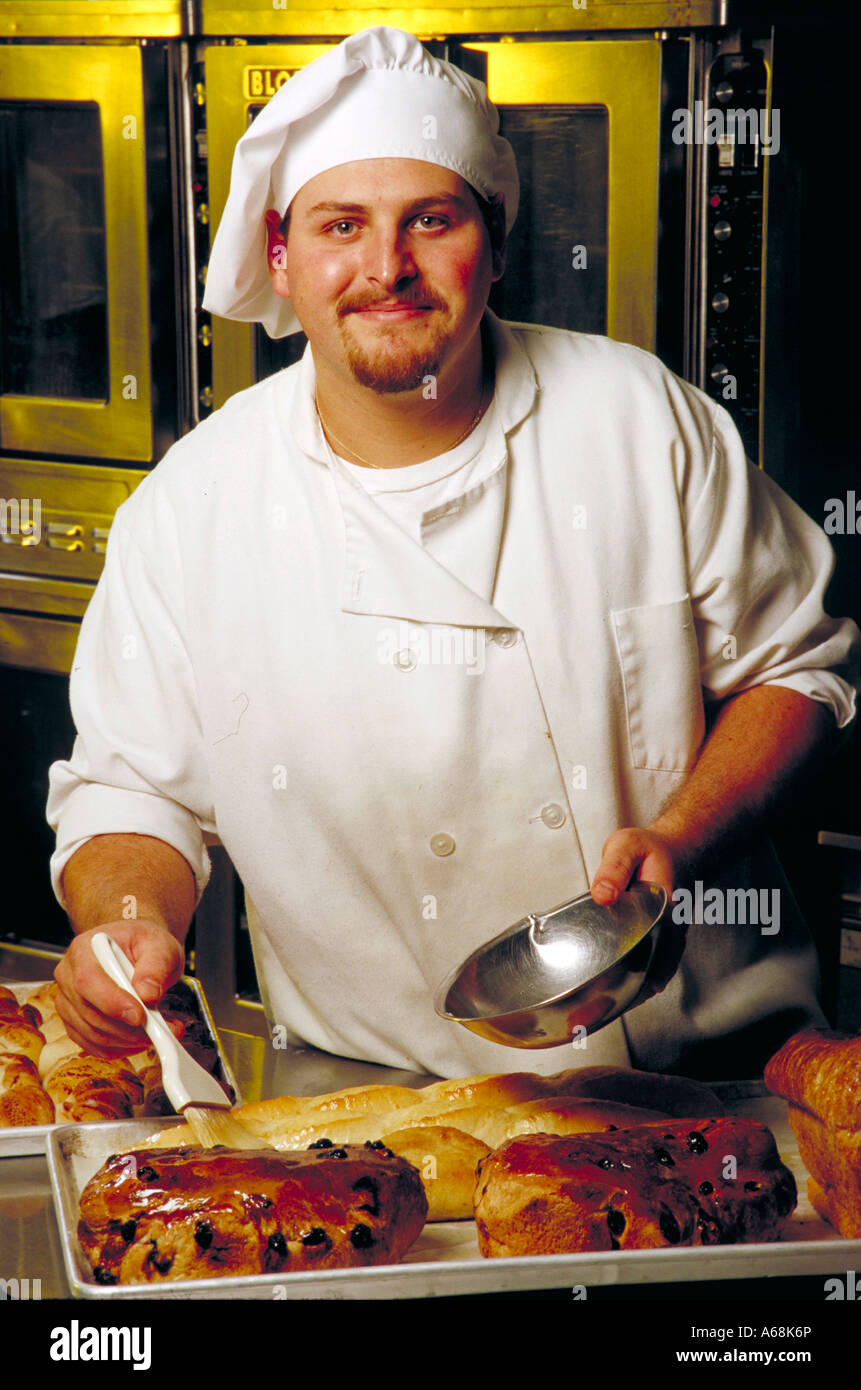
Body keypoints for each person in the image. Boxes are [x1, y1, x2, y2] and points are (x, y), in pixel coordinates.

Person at [47, 27, 858, 1081]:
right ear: (283, 260)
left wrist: (682, 836)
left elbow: (795, 670)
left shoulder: (641, 422)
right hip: (369, 1097)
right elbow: (128, 789)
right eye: (343, 226)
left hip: (704, 1069)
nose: (387, 267)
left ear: (497, 242)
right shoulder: (195, 505)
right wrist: (126, 921)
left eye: (431, 220)